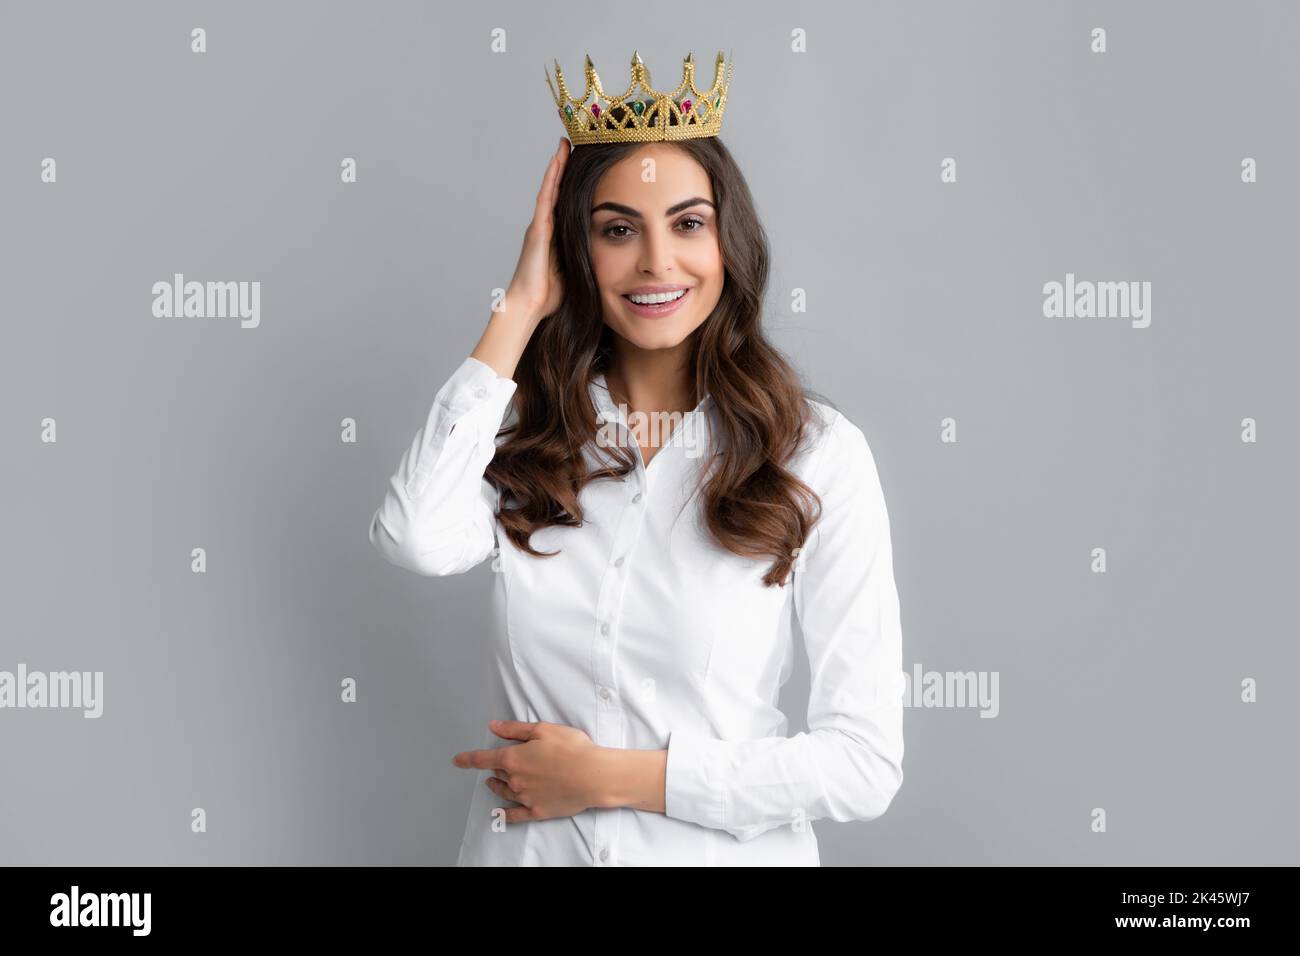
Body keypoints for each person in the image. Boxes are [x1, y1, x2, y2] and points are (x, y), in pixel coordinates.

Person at [368, 51, 904, 865]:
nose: (656, 262)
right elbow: (412, 538)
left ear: (730, 240)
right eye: (618, 230)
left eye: (688, 223)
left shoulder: (818, 455)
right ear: (576, 252)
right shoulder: (530, 439)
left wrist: (617, 779)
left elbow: (863, 766)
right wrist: (517, 309)